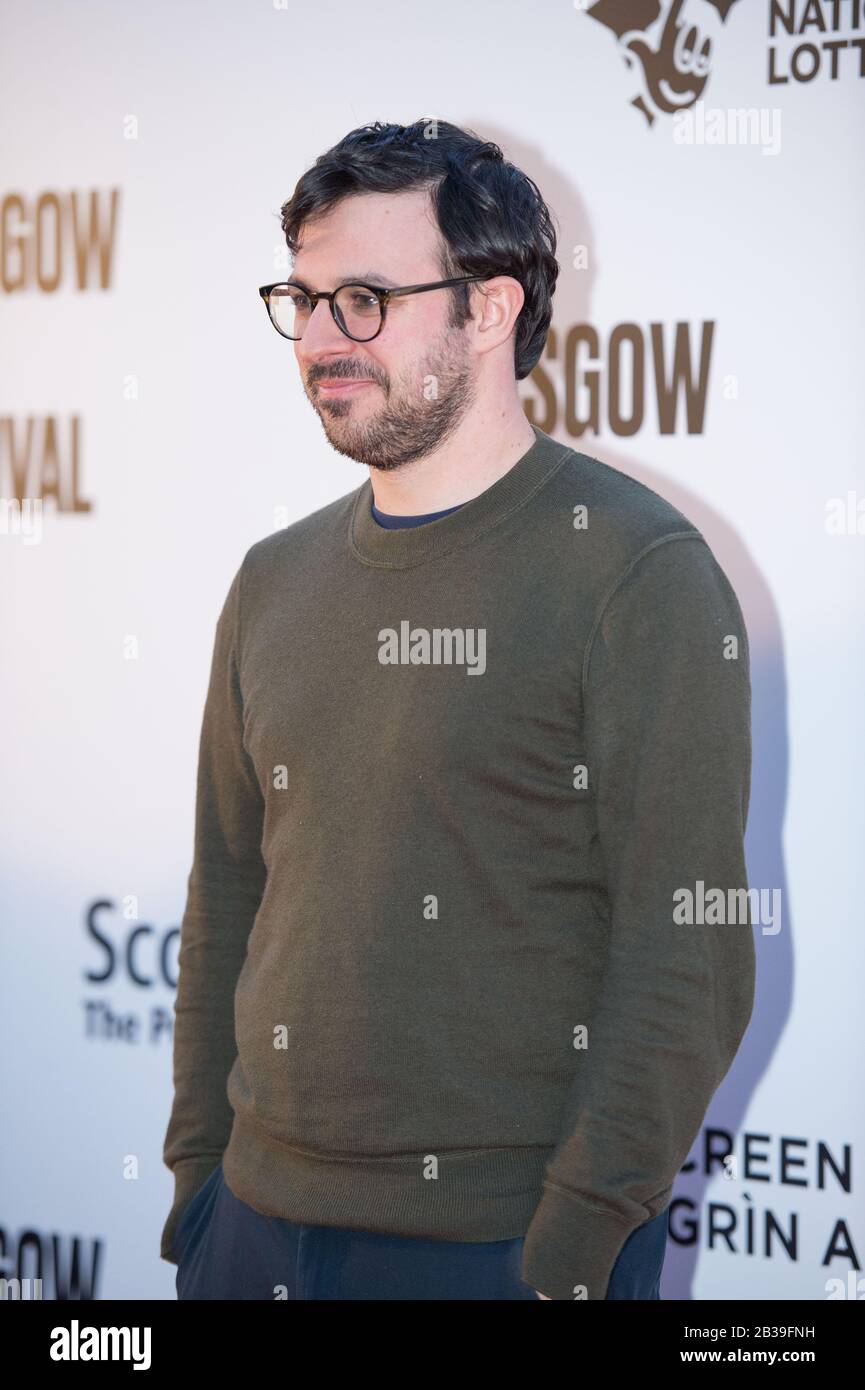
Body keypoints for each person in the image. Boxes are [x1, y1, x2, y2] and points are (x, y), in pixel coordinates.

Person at [161, 118, 755, 1301]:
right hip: (251, 1235)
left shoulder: (632, 571)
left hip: (498, 1252)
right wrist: (198, 1190)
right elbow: (228, 893)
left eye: (367, 299)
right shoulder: (272, 579)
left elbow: (685, 948)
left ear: (488, 308)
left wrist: (569, 1249)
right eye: (307, 298)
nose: (323, 338)